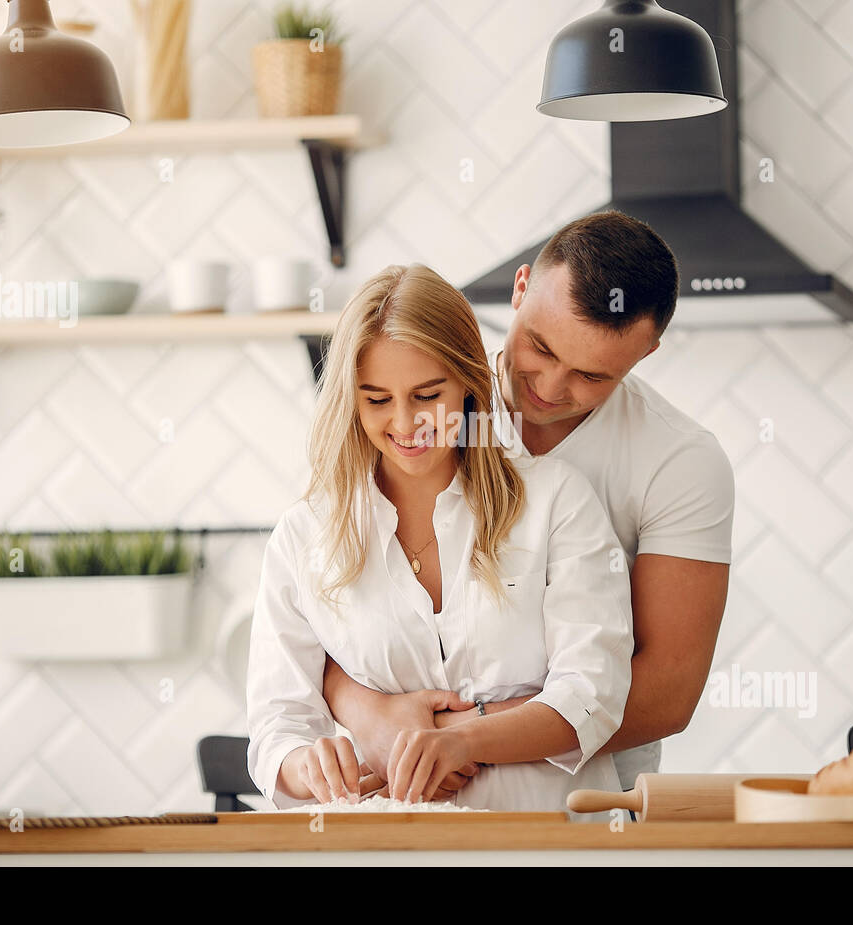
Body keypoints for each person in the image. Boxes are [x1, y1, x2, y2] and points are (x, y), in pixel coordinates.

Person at [322, 211, 735, 796]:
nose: (549, 385)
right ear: (520, 289)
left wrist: (455, 737)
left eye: (591, 375)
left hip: (585, 804)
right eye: (539, 346)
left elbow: (668, 690)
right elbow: (329, 605)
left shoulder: (681, 462)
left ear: (645, 352)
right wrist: (369, 717)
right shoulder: (426, 406)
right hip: (407, 794)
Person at [245, 263, 633, 814]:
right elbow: (277, 721)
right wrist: (306, 766)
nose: (405, 424)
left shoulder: (556, 502)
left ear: (469, 383)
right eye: (376, 399)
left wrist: (461, 740)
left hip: (546, 844)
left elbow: (594, 696)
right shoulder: (304, 536)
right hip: (381, 848)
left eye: (427, 395)